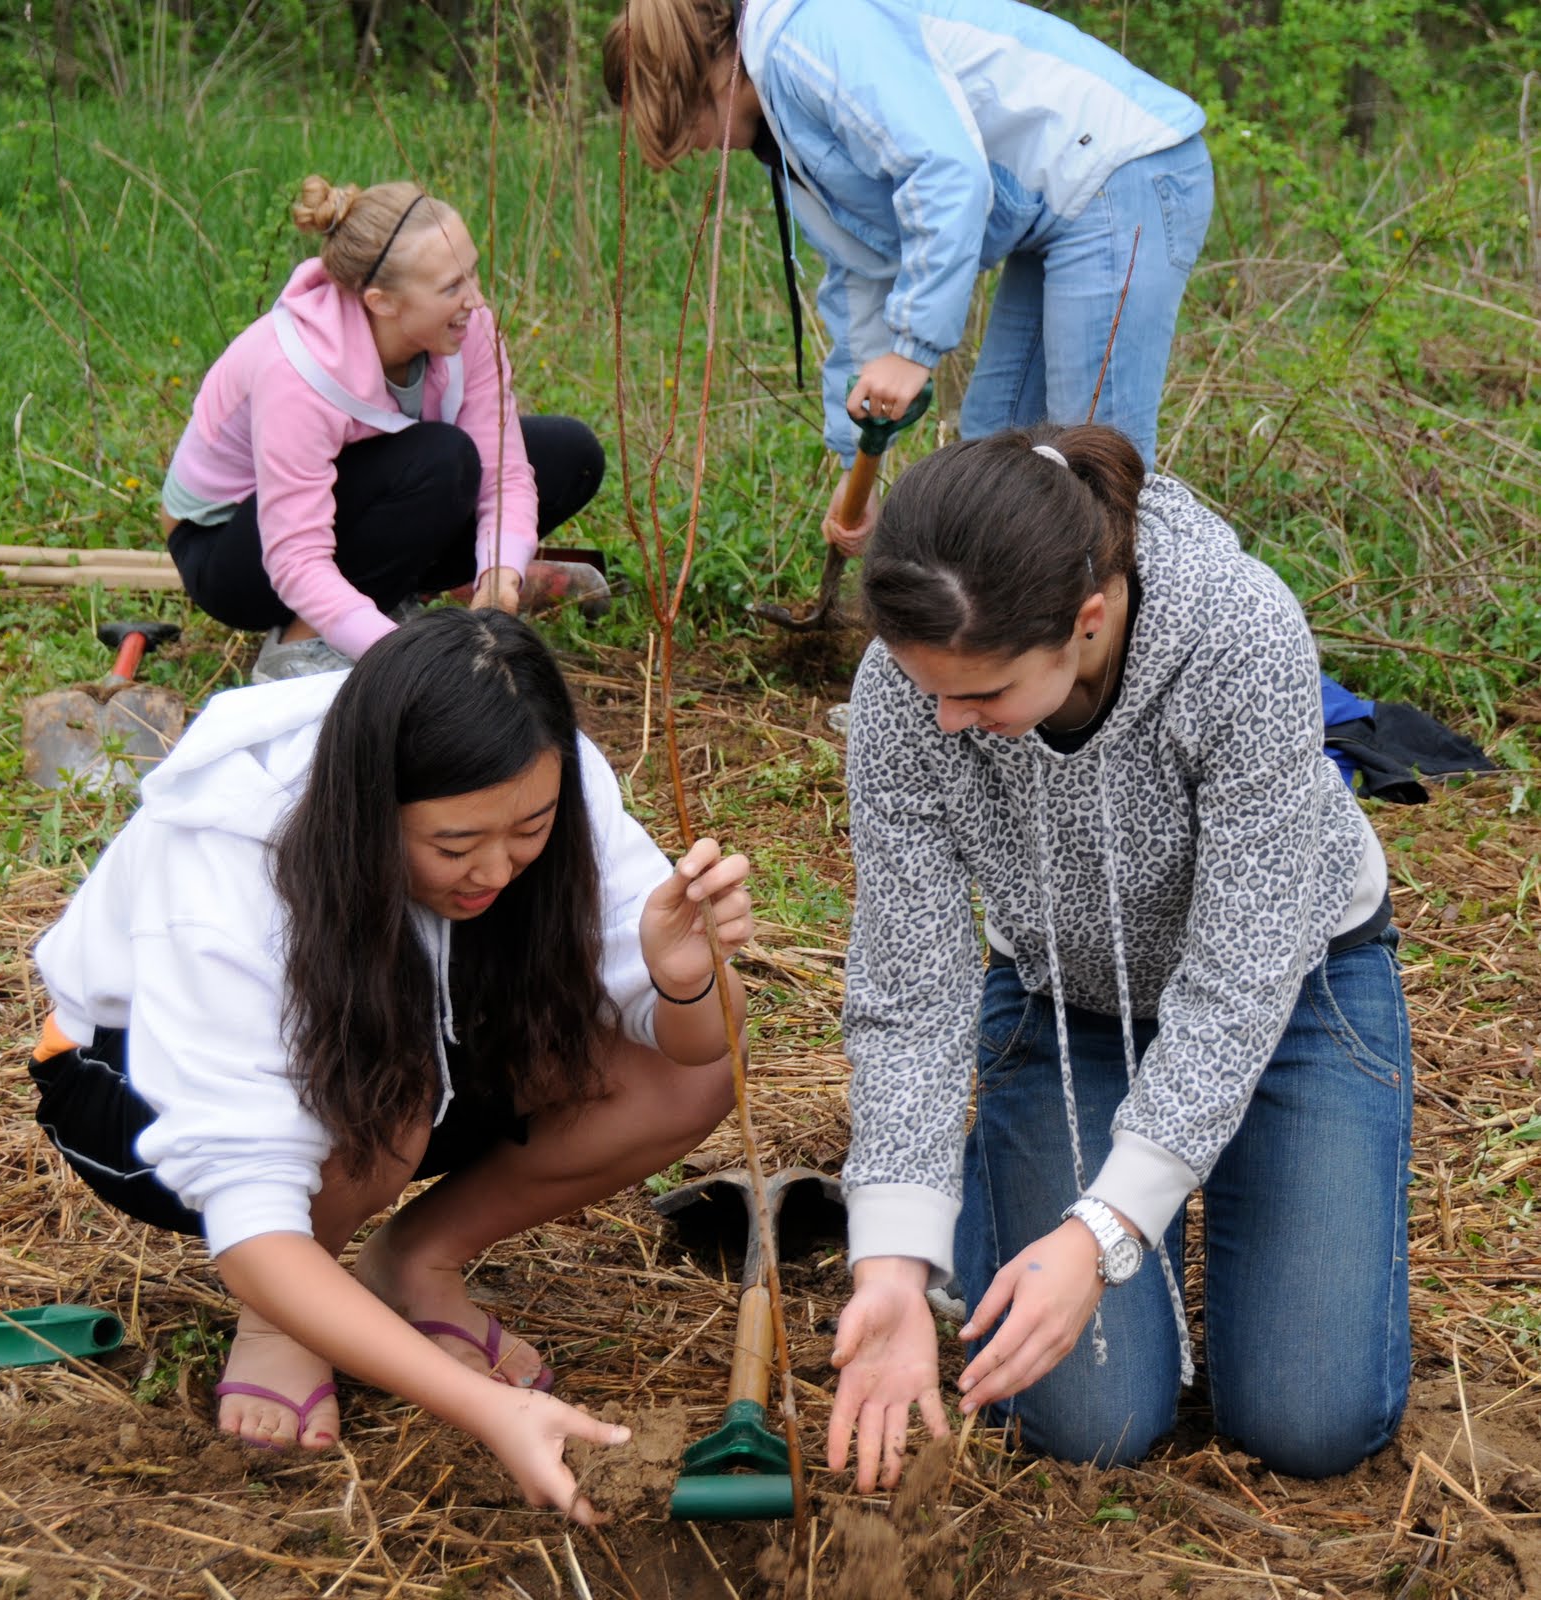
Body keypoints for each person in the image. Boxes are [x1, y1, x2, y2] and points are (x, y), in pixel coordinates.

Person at [29, 609, 751, 1522]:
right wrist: (487, 1410)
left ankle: (415, 1261)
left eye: (528, 830)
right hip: (133, 1084)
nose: (496, 867)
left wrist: (684, 982)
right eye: (453, 846)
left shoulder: (544, 771)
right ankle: (283, 1319)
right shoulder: (228, 850)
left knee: (693, 1069)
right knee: (387, 1091)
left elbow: (688, 1054)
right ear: (369, 806)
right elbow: (248, 1202)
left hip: (408, 1044)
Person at [825, 427, 1412, 1492]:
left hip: (1292, 993)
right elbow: (911, 988)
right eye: (928, 692)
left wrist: (1100, 1230)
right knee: (1092, 1419)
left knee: (1309, 1421)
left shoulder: (1239, 635)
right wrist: (892, 1259)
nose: (946, 723)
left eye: (983, 696)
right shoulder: (908, 690)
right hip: (1069, 1002)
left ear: (1085, 623)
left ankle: (1216, 1168)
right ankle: (980, 1197)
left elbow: (1240, 982)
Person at [604, 0, 1213, 552]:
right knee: (996, 451)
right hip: (1056, 209)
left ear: (704, 77)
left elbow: (946, 171)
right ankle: (1009, 653)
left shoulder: (811, 38)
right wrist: (856, 463)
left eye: (679, 127)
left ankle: (1147, 652)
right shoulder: (783, 135)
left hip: (1122, 173)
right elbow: (860, 277)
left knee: (1092, 467)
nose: (692, 148)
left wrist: (914, 347)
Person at [161, 176, 609, 685]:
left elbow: (503, 473)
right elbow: (294, 556)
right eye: (452, 287)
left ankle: (389, 598)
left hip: (357, 494)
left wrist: (499, 576)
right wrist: (400, 656)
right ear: (381, 302)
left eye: (473, 274)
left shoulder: (469, 328)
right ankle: (301, 645)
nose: (477, 300)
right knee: (443, 460)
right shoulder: (297, 370)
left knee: (569, 455)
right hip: (228, 548)